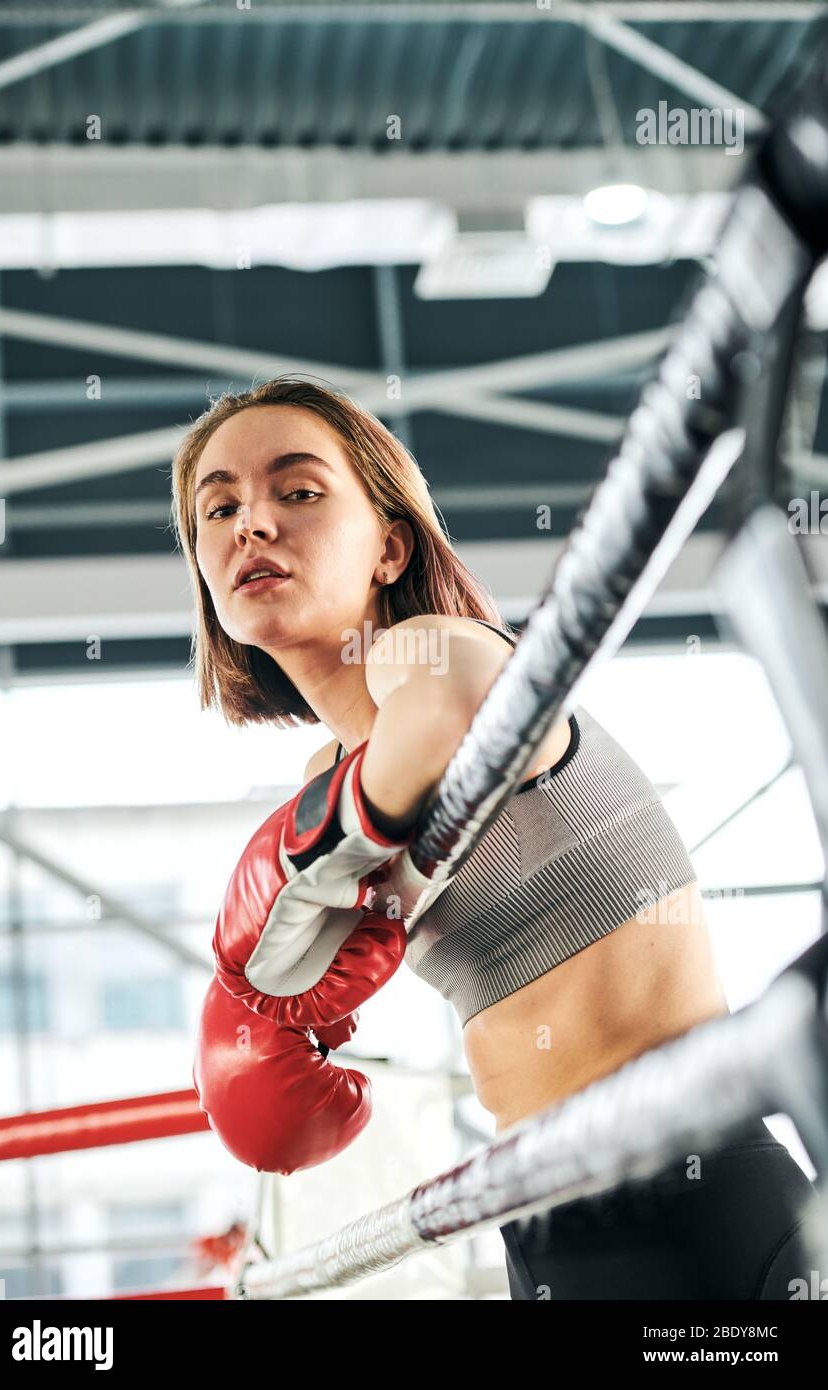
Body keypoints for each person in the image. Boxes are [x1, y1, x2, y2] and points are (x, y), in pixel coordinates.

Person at [173, 375, 815, 1300]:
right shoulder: (322, 779)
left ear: (390, 548)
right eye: (219, 506)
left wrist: (317, 849)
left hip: (690, 1186)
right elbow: (300, 974)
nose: (252, 524)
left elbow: (450, 714)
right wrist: (261, 1002)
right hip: (541, 1218)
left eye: (299, 490)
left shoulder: (445, 648)